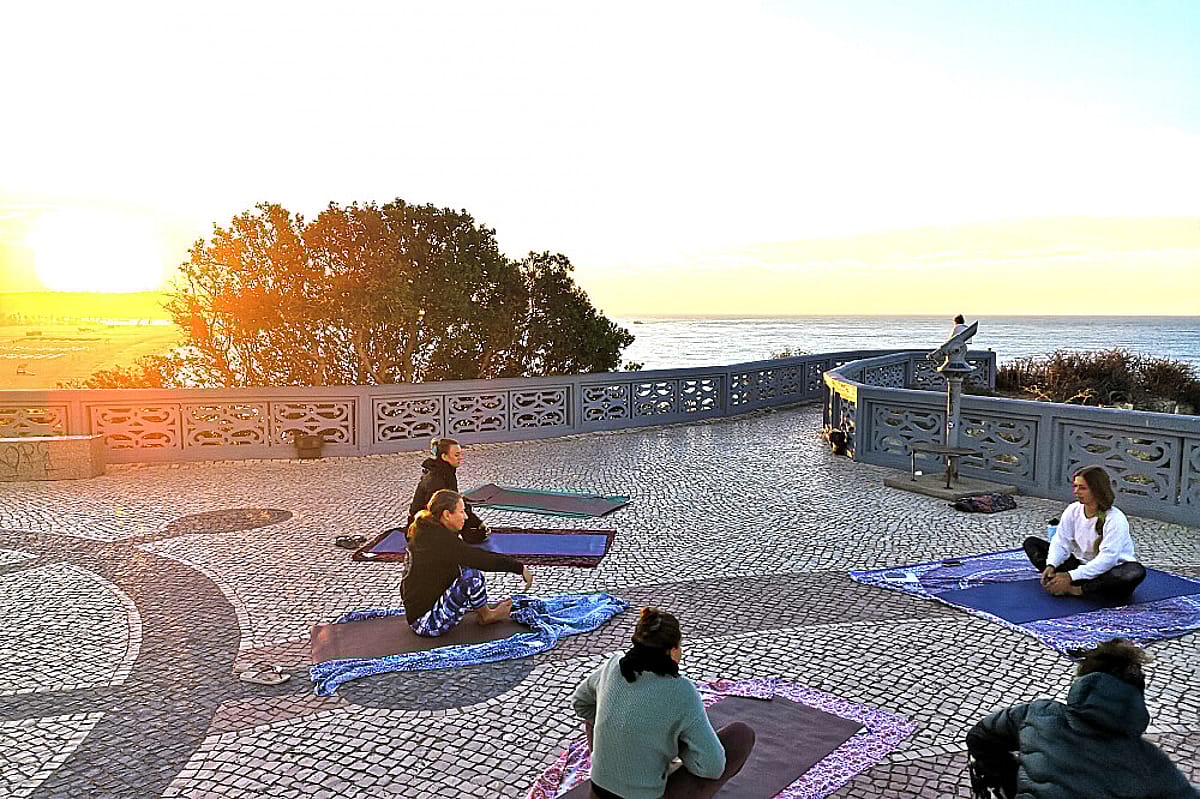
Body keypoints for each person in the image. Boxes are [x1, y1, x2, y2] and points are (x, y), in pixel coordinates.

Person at [966, 638, 1198, 799]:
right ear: (1136, 699)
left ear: (1081, 683)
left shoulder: (1037, 714)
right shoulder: (1151, 764)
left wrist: (1013, 784)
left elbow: (978, 738)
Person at [571, 608, 755, 799]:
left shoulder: (613, 666)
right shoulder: (681, 692)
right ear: (672, 650)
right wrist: (678, 747)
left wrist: (616, 730)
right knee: (741, 735)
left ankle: (611, 767)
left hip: (598, 792)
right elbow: (713, 768)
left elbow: (580, 702)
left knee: (596, 707)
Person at [401, 489, 533, 637]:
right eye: (461, 512)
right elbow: (480, 559)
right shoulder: (440, 541)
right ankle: (487, 616)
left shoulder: (427, 532)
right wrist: (519, 568)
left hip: (418, 615)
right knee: (472, 576)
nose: (465, 516)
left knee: (465, 568)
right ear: (446, 515)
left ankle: (482, 611)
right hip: (426, 623)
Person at [1022, 465, 1146, 601]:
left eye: (1082, 488)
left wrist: (1070, 576)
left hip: (1108, 573)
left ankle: (1075, 589)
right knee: (1031, 544)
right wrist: (1051, 565)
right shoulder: (1073, 510)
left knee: (1134, 572)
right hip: (1080, 565)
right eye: (1075, 486)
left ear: (1096, 490)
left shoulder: (1115, 518)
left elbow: (1108, 560)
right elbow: (1061, 541)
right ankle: (1060, 581)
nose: (1076, 492)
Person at [408, 438, 488, 544]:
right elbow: (442, 509)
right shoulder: (435, 479)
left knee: (476, 531)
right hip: (420, 529)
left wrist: (476, 522)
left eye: (460, 454)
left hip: (435, 519)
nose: (460, 458)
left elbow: (456, 500)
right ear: (444, 457)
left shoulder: (447, 472)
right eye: (456, 455)